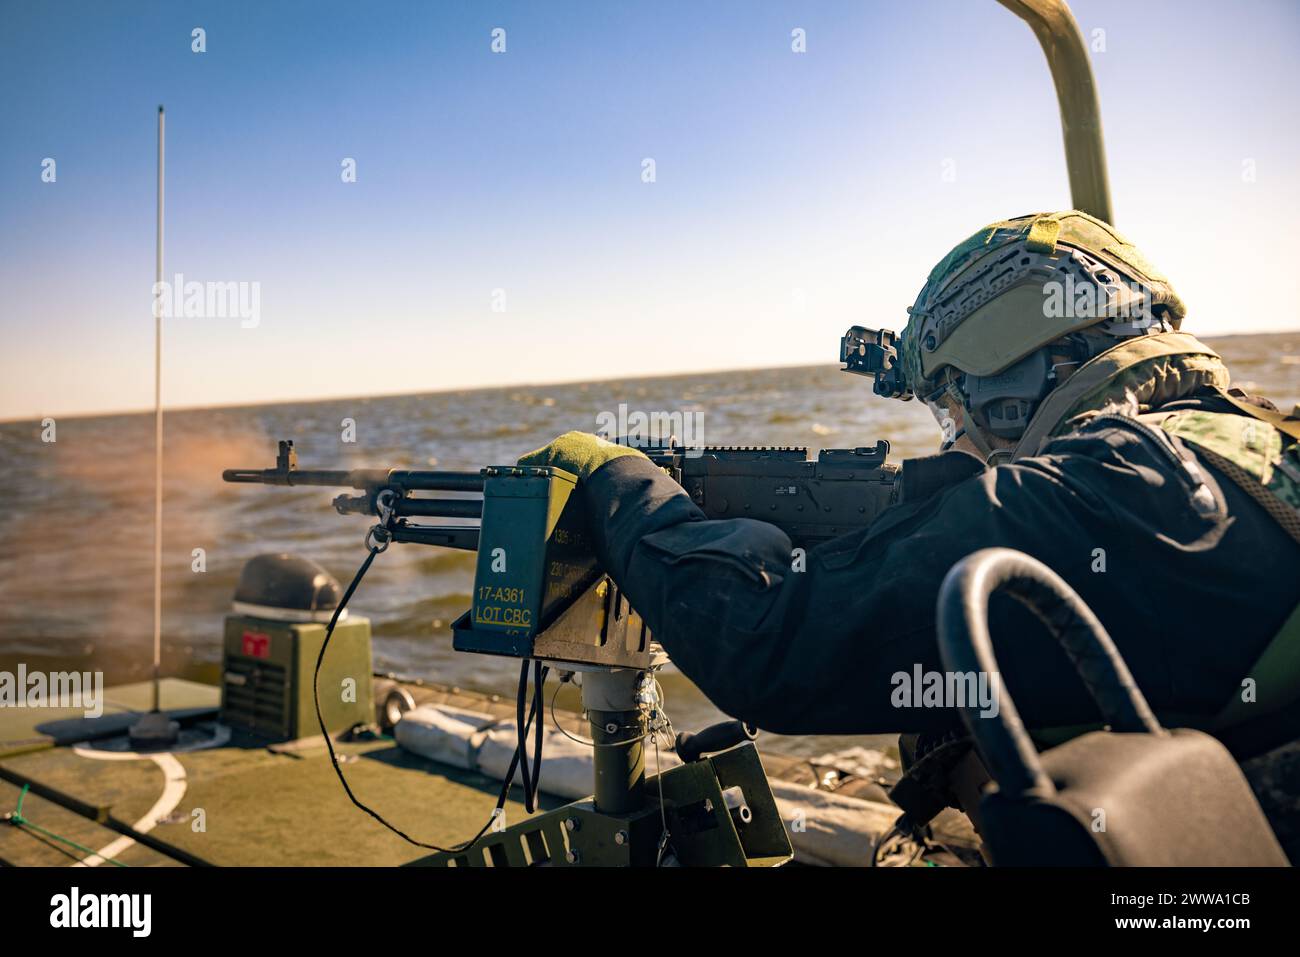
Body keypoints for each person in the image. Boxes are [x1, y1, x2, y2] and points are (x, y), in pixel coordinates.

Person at [520, 210, 1300, 855]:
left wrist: (614, 483)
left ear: (1014, 376)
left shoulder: (1095, 494)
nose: (954, 436)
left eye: (954, 408)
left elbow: (773, 644)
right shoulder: (1249, 443)